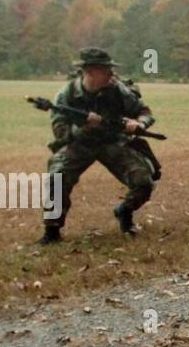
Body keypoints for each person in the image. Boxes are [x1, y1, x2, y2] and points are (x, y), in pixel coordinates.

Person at [39, 47, 158, 244]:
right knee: (56, 178)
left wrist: (139, 123)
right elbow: (60, 131)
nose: (112, 74)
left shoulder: (118, 90)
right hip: (80, 144)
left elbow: (145, 112)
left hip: (111, 142)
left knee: (143, 181)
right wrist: (84, 127)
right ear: (90, 72)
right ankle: (52, 231)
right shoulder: (66, 95)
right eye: (107, 70)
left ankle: (125, 212)